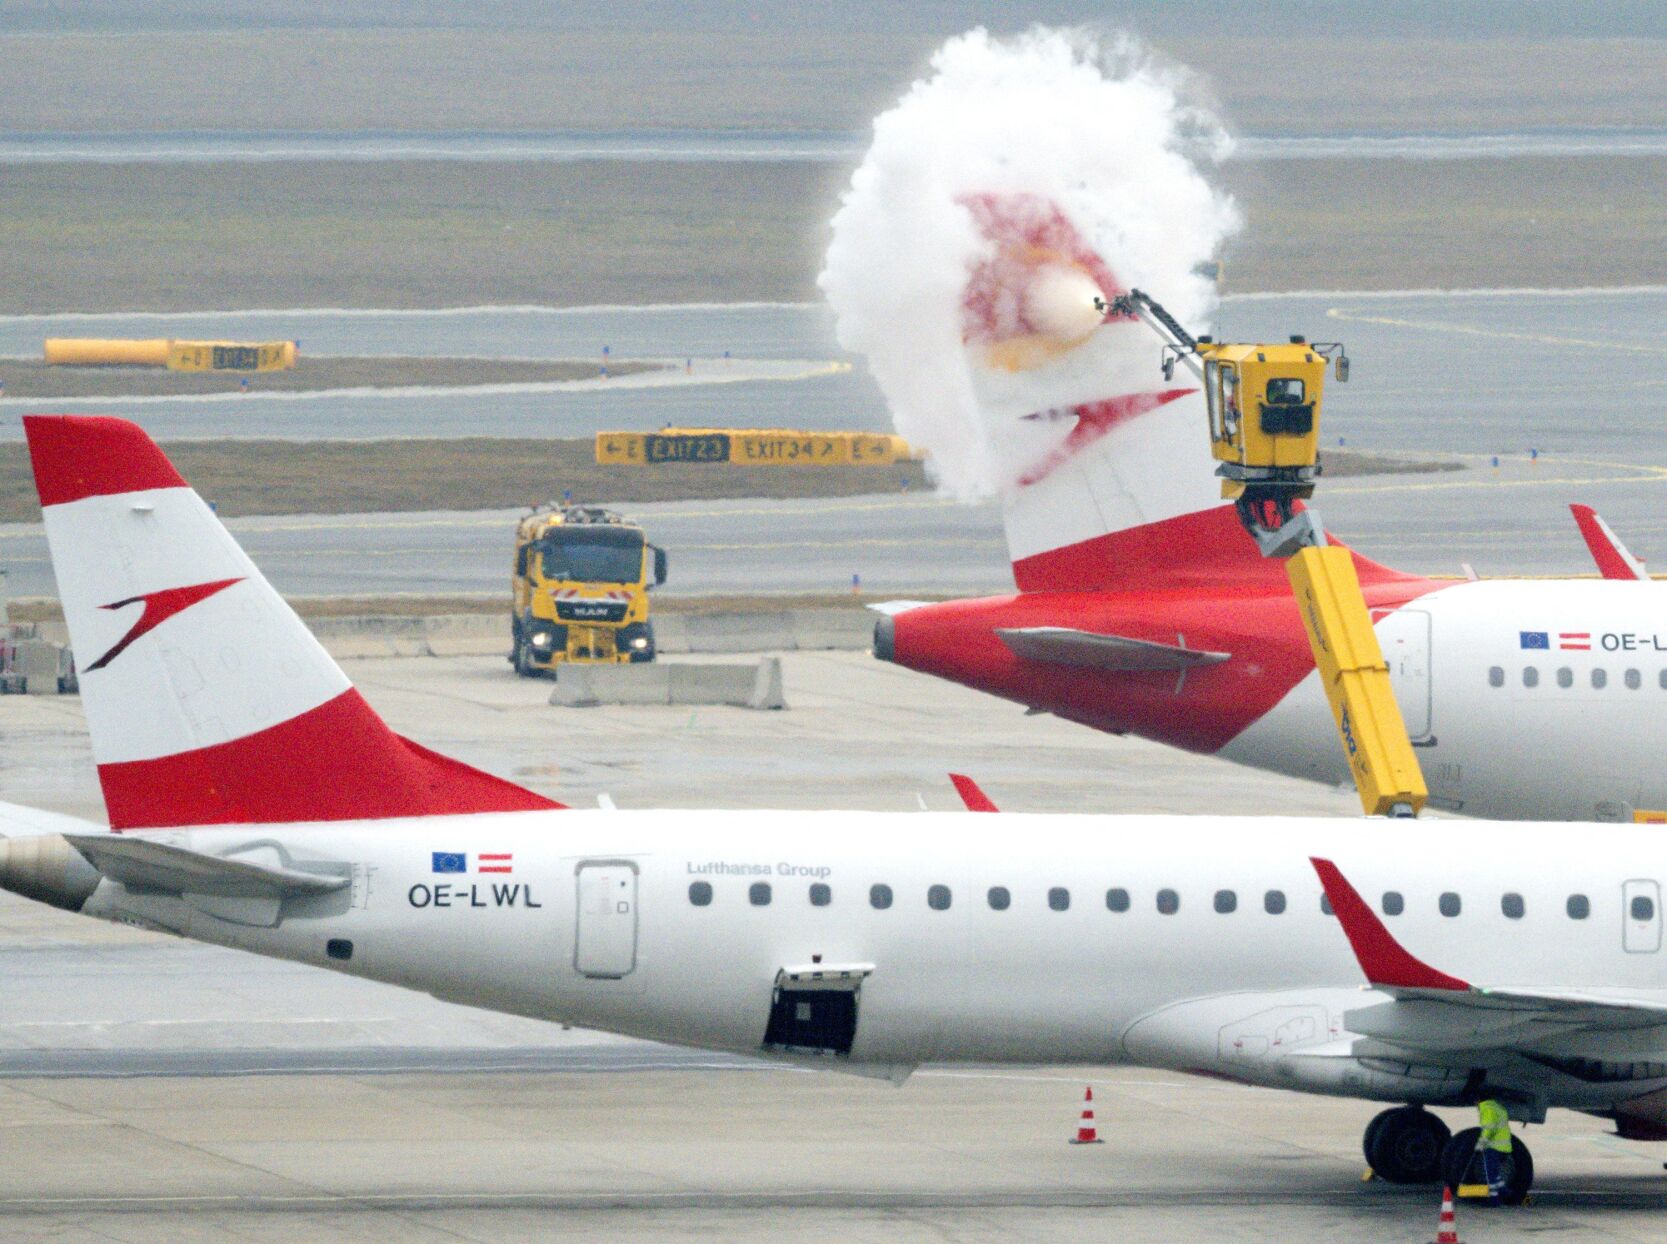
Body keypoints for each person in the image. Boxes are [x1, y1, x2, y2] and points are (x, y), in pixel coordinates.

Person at [1477, 1098, 1515, 1201]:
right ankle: (1504, 1191)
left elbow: (1489, 1128)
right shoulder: (1499, 1107)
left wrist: (1481, 1142)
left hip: (1493, 1147)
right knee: (1494, 1172)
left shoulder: (1487, 1108)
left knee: (1490, 1175)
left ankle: (1493, 1199)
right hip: (1504, 1147)